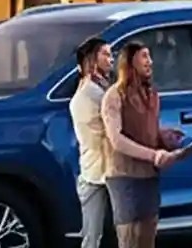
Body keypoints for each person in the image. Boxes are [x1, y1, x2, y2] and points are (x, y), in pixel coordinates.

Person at [100, 41, 192, 248]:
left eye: (149, 56)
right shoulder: (114, 96)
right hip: (124, 177)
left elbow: (144, 129)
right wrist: (154, 155)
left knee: (148, 237)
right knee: (130, 238)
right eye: (144, 56)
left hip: (149, 176)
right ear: (130, 61)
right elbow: (116, 139)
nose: (150, 62)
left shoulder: (152, 95)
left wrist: (163, 136)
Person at [69, 36, 114, 248]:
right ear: (92, 60)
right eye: (106, 54)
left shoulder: (97, 88)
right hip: (99, 171)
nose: (111, 59)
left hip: (97, 171)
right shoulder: (91, 93)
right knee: (92, 239)